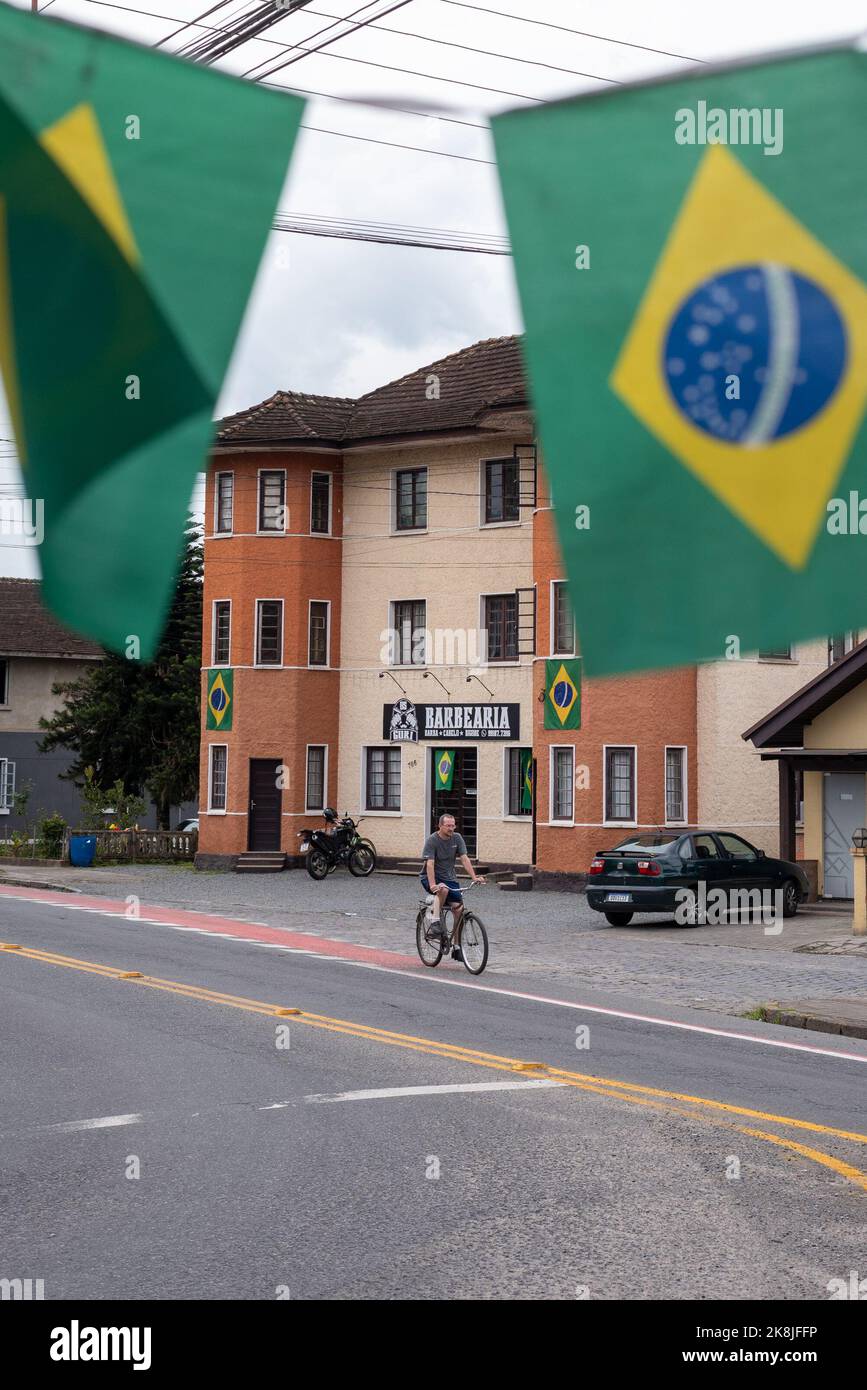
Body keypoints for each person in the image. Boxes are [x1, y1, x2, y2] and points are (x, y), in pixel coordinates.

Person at [420, 814, 485, 944]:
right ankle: (434, 922)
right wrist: (433, 885)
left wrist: (474, 877)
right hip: (430, 877)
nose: (451, 828)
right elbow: (430, 864)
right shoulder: (432, 840)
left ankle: (457, 946)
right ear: (440, 826)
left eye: (453, 825)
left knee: (459, 910)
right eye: (448, 826)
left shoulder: (457, 838)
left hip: (450, 878)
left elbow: (464, 859)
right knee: (442, 889)